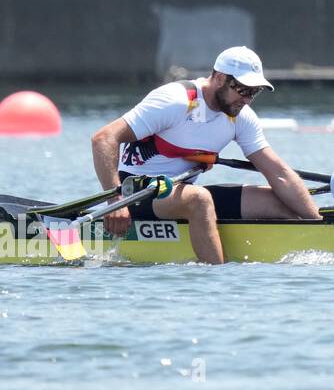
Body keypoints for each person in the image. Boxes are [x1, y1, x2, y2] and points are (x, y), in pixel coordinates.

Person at [89, 46, 319, 263]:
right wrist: (116, 201)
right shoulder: (175, 100)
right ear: (219, 78)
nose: (247, 99)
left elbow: (278, 173)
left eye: (254, 92)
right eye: (242, 90)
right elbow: (103, 138)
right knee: (200, 199)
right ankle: (216, 280)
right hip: (135, 194)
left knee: (277, 202)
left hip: (176, 192)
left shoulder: (241, 116)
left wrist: (321, 223)